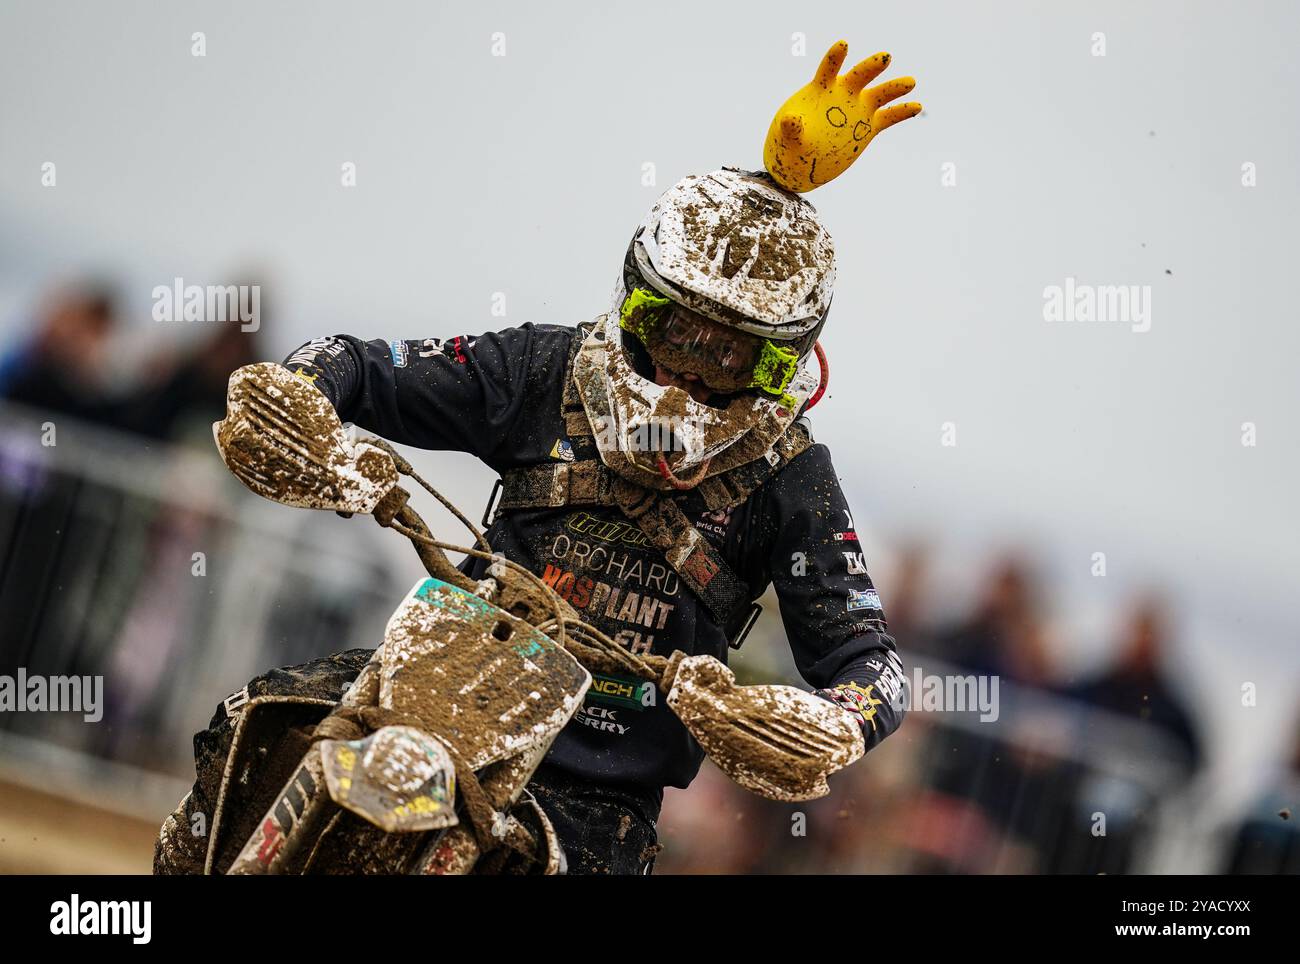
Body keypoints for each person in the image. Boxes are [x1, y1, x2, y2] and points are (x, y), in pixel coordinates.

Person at [157, 43, 922, 875]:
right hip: (433, 697)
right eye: (674, 332)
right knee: (254, 722)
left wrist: (836, 719)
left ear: (780, 364)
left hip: (600, 791)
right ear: (638, 305)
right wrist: (299, 401)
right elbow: (353, 361)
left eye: (729, 356)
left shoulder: (790, 475)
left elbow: (871, 660)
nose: (689, 372)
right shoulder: (542, 370)